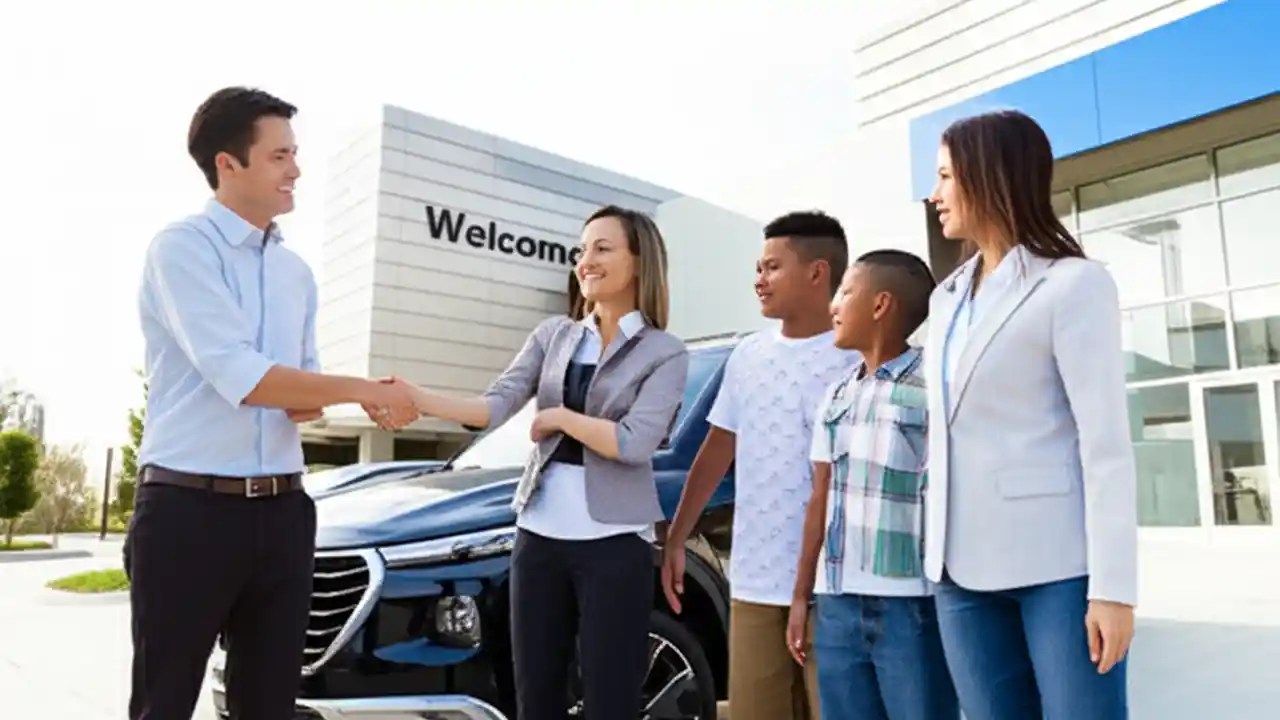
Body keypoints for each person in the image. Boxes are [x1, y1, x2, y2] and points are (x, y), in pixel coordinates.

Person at [125, 86, 419, 720]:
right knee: (164, 703)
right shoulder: (181, 249)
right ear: (228, 165)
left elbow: (295, 396)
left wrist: (366, 397)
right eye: (280, 155)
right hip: (187, 513)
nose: (296, 169)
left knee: (269, 706)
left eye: (296, 153)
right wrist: (364, 390)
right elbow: (246, 377)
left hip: (284, 513)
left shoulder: (297, 274)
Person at [389, 205, 688, 720]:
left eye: (602, 248)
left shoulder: (664, 352)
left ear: (640, 262)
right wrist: (418, 397)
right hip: (539, 539)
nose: (585, 261)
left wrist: (561, 418)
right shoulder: (554, 335)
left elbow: (635, 443)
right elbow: (495, 404)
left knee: (611, 701)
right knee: (535, 696)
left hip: (615, 545)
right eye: (581, 250)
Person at [923, 109, 1138, 719]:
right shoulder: (945, 300)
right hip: (956, 568)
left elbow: (1106, 446)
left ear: (989, 175)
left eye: (945, 177)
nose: (935, 194)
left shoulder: (1074, 286)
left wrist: (1114, 589)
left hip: (1059, 570)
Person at [661, 211, 859, 720]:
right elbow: (716, 449)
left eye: (772, 267)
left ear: (818, 272)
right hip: (753, 581)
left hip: (835, 583)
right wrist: (677, 536)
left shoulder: (856, 357)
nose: (759, 279)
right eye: (757, 267)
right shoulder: (748, 355)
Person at [787, 250, 959, 720]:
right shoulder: (837, 394)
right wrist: (801, 596)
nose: (833, 306)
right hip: (837, 602)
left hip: (913, 609)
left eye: (845, 292)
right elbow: (818, 499)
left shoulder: (935, 385)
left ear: (880, 305)